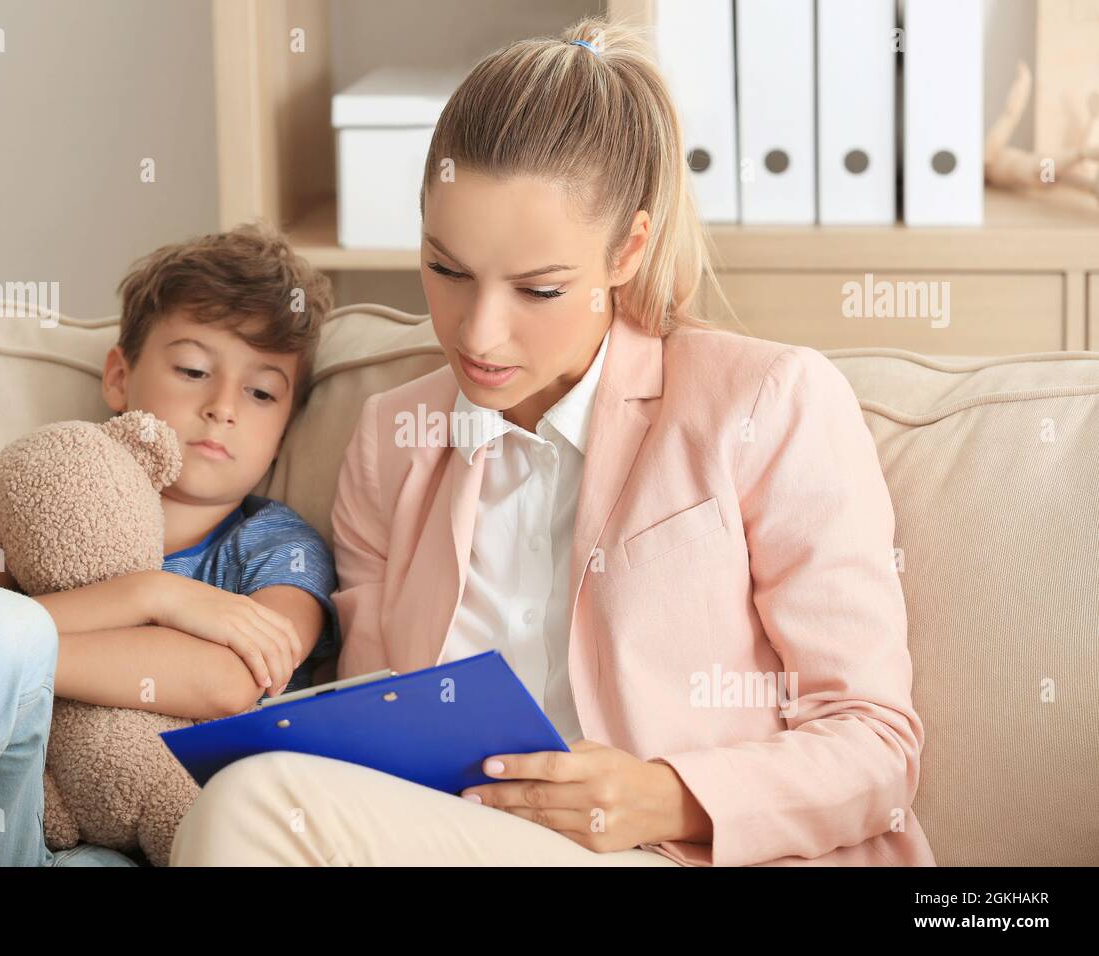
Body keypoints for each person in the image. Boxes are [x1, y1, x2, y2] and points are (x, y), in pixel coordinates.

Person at [169, 17, 937, 867]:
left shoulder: (766, 403)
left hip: (682, 854)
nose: (480, 334)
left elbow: (876, 744)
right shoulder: (393, 442)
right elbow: (376, 737)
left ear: (627, 250)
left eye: (539, 289)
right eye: (447, 270)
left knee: (260, 806)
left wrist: (667, 795)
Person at [0, 223, 341, 866]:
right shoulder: (45, 503)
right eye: (192, 369)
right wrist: (152, 596)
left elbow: (231, 680)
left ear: (286, 425)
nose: (222, 407)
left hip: (135, 847)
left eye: (261, 392)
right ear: (120, 377)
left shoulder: (277, 546)